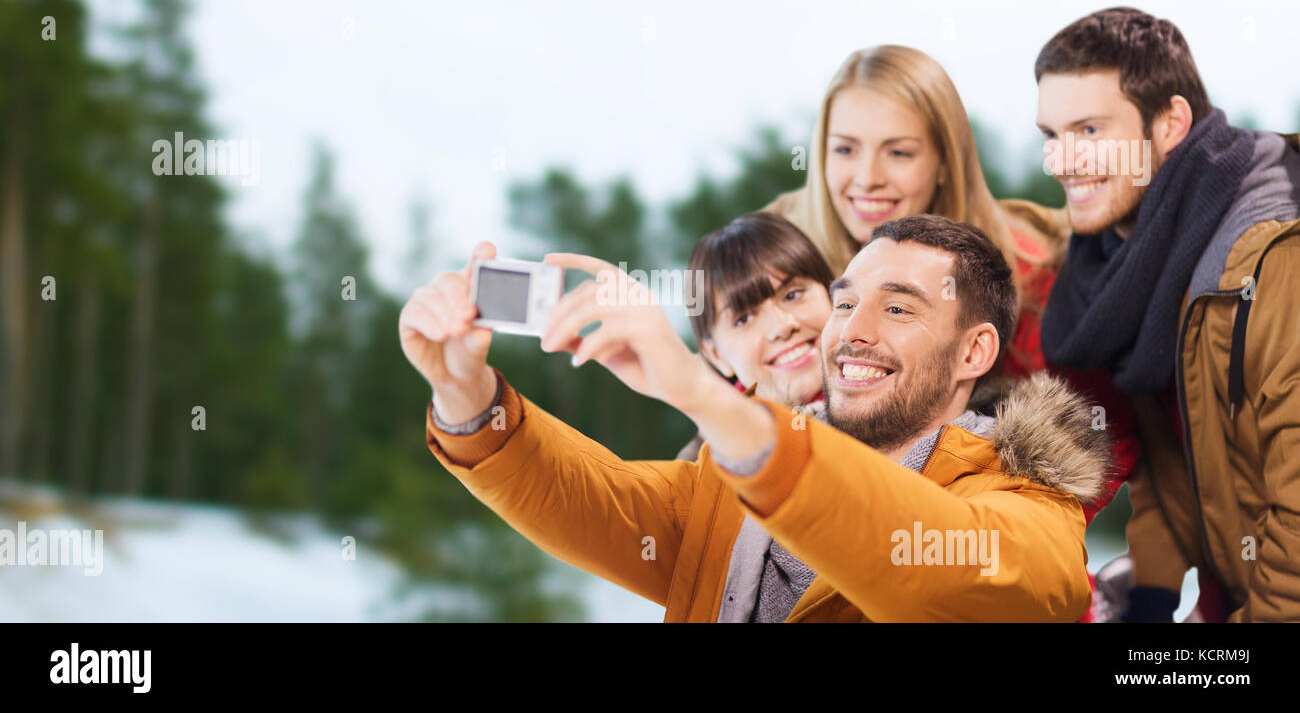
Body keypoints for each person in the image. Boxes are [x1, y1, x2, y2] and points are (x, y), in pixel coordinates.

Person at [400, 216, 1109, 622]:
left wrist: (702, 395)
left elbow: (944, 565)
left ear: (974, 351)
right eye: (842, 301)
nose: (848, 332)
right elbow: (588, 500)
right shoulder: (721, 484)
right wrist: (466, 391)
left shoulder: (1029, 508)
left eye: (897, 307)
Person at [1034, 7, 1300, 622]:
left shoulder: (1271, 264)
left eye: (1090, 131)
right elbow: (1177, 458)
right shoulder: (1139, 266)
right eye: (1050, 135)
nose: (1062, 162)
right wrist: (1151, 600)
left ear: (1171, 123)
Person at [761, 45, 1067, 381]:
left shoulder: (1027, 278)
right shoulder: (774, 261)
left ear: (945, 164)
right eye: (845, 149)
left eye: (899, 152)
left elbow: (1092, 423)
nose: (867, 179)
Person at [675, 212, 834, 461]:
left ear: (833, 293)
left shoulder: (905, 407)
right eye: (744, 318)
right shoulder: (699, 474)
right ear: (716, 356)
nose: (781, 327)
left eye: (792, 295)